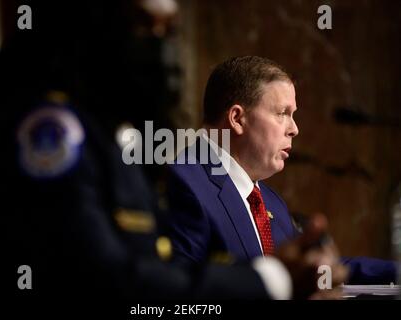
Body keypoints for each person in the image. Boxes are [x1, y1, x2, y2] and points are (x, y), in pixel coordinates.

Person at [0, 1, 346, 300]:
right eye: (143, 25)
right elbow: (111, 284)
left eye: (168, 32)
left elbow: (156, 267)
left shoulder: (112, 135)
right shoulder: (51, 131)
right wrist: (272, 280)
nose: (161, 51)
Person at [167, 55, 397, 285]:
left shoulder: (270, 201)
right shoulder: (185, 184)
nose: (294, 129)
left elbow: (307, 267)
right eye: (282, 113)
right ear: (237, 118)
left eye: (293, 115)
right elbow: (178, 293)